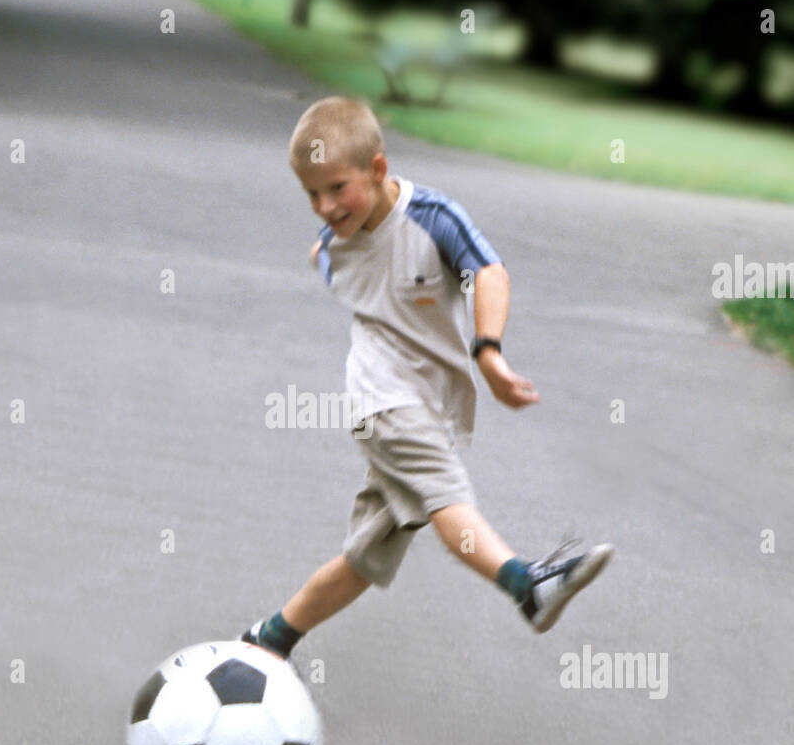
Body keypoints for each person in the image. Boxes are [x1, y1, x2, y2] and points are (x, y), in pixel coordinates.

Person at [241, 96, 612, 661]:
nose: (324, 206)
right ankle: (526, 586)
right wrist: (323, 248)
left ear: (379, 169)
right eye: (311, 194)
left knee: (364, 559)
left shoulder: (431, 217)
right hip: (385, 403)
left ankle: (268, 638)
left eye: (337, 187)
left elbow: (487, 272)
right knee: (448, 499)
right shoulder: (334, 246)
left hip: (426, 403)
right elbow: (327, 254)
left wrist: (488, 351)